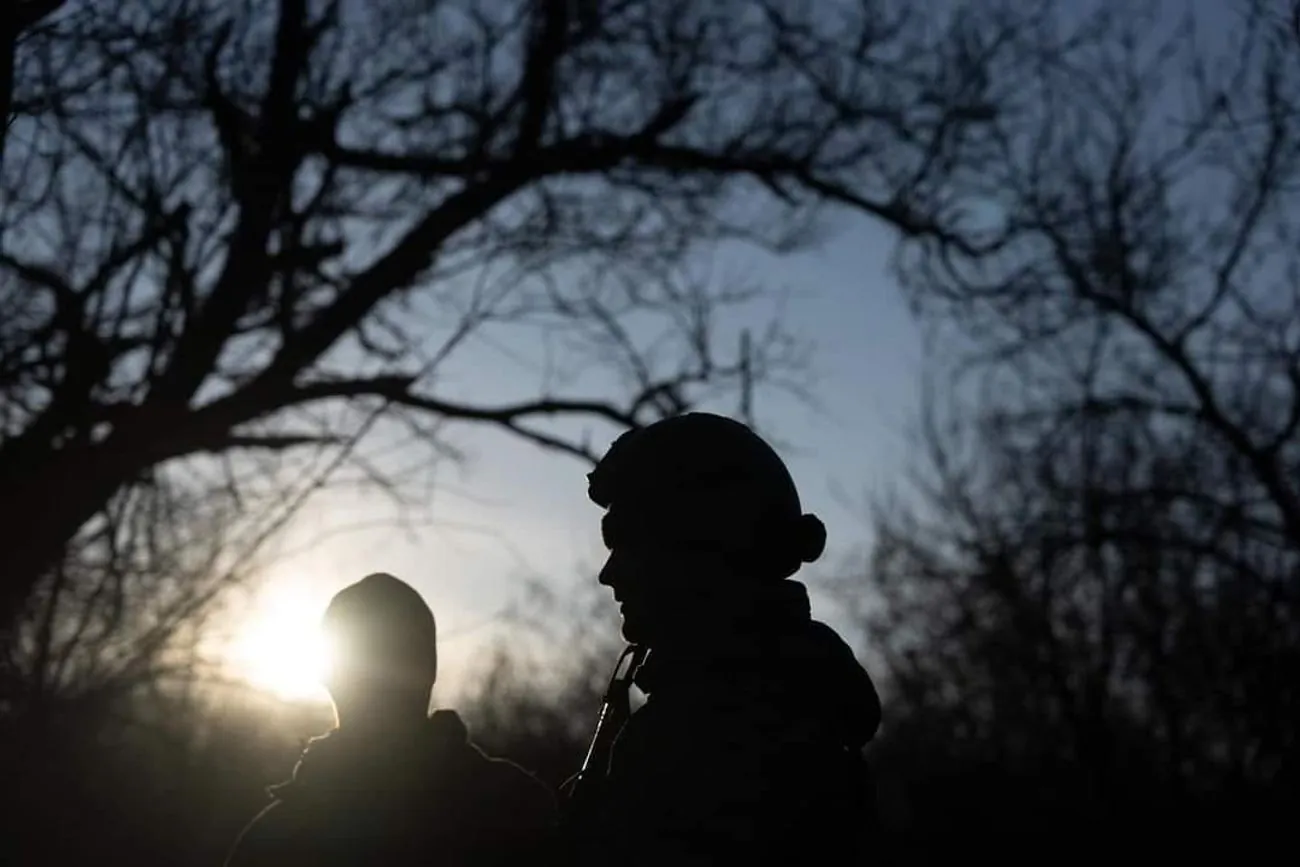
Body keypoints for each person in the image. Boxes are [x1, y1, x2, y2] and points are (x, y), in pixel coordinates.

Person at [563, 412, 883, 865]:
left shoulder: (712, 738)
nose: (607, 574)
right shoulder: (787, 698)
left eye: (628, 544)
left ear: (698, 551)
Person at [224, 573, 556, 867]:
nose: (378, 677)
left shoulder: (275, 838)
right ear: (431, 669)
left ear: (324, 671)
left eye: (392, 652)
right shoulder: (516, 806)